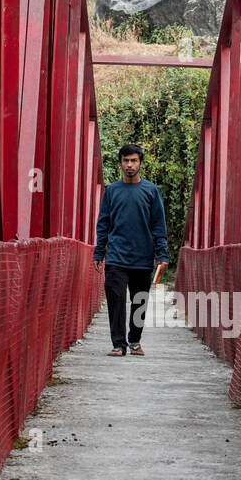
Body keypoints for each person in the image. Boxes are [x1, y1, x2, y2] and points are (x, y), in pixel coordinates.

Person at [94, 143, 169, 356]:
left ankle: (135, 341)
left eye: (134, 160)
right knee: (116, 302)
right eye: (126, 161)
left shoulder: (151, 191)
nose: (129, 165)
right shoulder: (111, 191)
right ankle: (118, 344)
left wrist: (162, 254)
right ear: (120, 163)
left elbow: (158, 225)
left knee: (139, 302)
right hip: (117, 257)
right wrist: (99, 252)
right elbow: (103, 224)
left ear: (140, 164)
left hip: (143, 258)